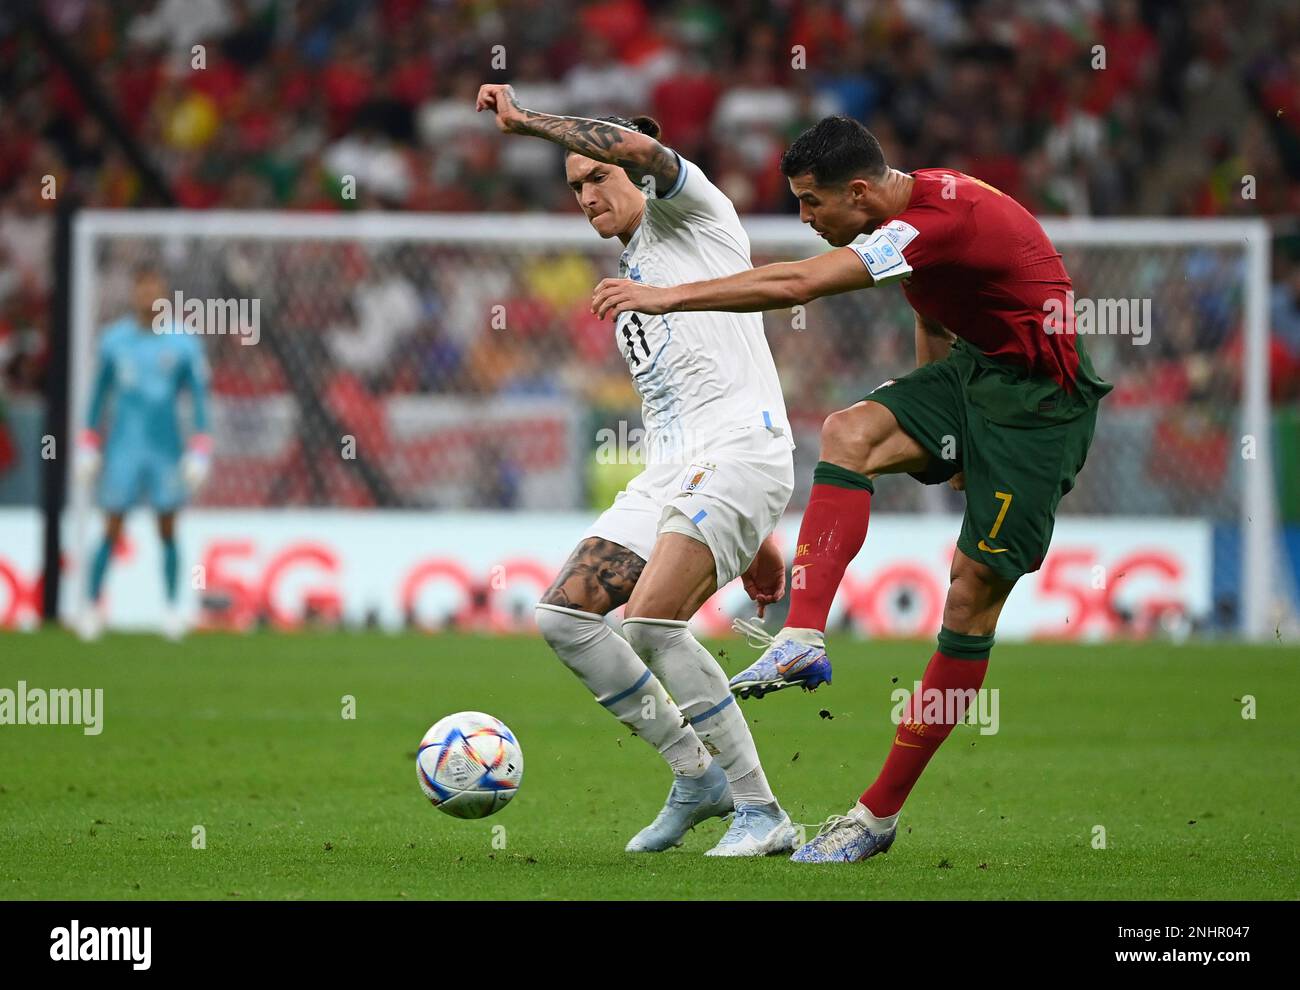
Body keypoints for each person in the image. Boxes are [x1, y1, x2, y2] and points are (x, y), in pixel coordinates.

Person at [591, 115, 1112, 863]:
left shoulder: (932, 222)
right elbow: (934, 313)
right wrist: (948, 432)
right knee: (848, 432)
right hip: (977, 376)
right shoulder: (909, 210)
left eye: (812, 204)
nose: (806, 219)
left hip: (1040, 409)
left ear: (860, 192)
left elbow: (799, 283)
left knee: (970, 597)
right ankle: (802, 637)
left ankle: (875, 815)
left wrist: (667, 297)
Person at [476, 82, 797, 856]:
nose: (586, 196)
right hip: (675, 474)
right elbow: (688, 405)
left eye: (597, 177)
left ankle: (763, 810)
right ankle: (696, 774)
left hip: (742, 452)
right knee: (565, 616)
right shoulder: (625, 284)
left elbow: (647, 150)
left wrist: (528, 124)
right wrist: (758, 544)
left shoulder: (695, 216)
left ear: (639, 175)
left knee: (652, 621)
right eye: (575, 188)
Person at [75, 264, 212, 640]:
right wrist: (88, 442)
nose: (149, 297)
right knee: (111, 526)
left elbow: (200, 399)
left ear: (165, 295)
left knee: (167, 527)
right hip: (123, 449)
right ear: (134, 294)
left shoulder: (183, 343)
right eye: (143, 290)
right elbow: (98, 395)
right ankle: (91, 607)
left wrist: (200, 447)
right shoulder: (114, 341)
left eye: (155, 290)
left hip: (166, 449)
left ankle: (170, 609)